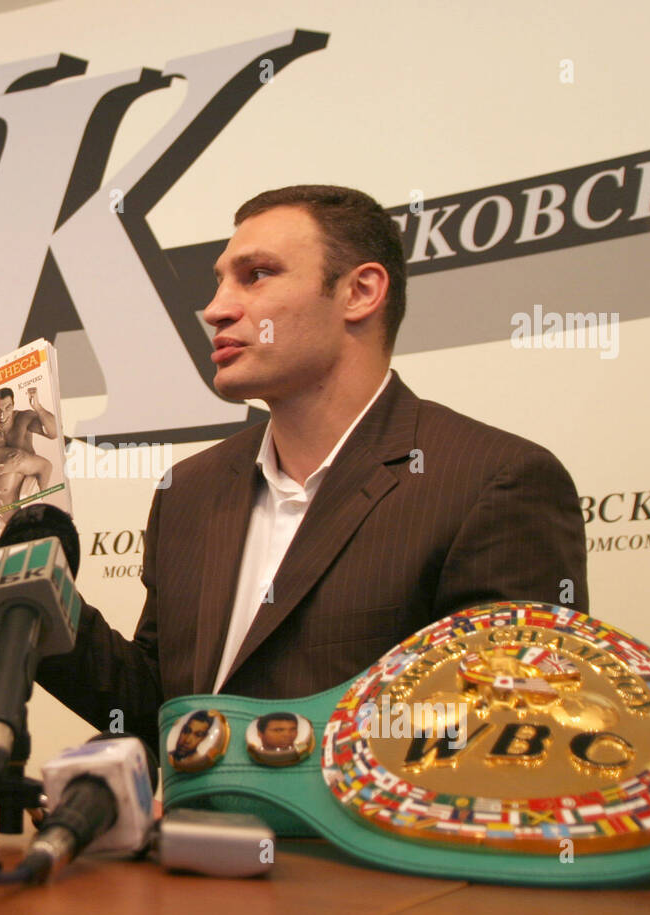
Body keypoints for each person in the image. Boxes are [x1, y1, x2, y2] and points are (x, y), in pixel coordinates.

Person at [34, 185, 588, 752]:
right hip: (186, 840)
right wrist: (32, 598)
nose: (216, 309)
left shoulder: (494, 481)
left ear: (360, 292)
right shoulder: (190, 491)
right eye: (220, 280)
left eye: (256, 275)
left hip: (362, 843)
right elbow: (162, 712)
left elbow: (510, 741)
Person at [0, 422, 52, 533]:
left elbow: (46, 467)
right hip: (3, 529)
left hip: (27, 526)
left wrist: (37, 499)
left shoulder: (13, 458)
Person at [0, 386, 57, 455]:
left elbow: (55, 432)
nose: (3, 415)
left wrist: (38, 407)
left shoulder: (23, 419)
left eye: (8, 408)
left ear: (13, 406)